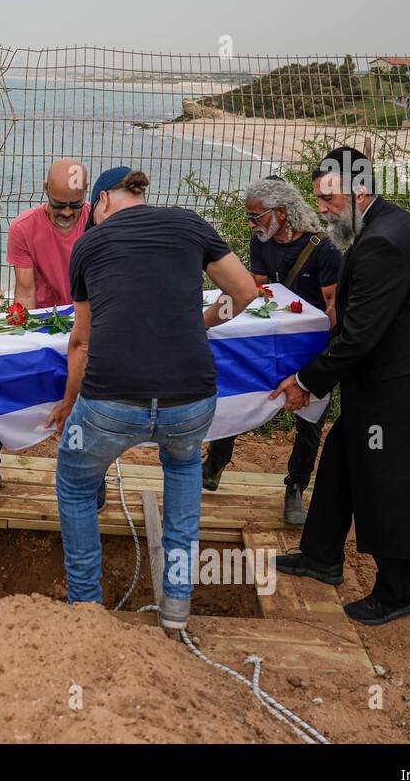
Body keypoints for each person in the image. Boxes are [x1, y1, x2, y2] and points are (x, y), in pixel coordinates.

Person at [47, 168, 259, 630]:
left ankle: (86, 607)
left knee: (77, 485)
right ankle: (177, 608)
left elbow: (81, 342)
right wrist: (200, 323)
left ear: (102, 201)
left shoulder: (88, 245)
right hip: (191, 399)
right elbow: (244, 292)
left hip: (110, 402)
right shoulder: (189, 223)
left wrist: (68, 404)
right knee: (183, 472)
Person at [271, 147, 410, 625]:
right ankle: (321, 556)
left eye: (329, 198)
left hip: (408, 385)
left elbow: (359, 337)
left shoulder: (382, 243)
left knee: (390, 480)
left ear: (359, 189)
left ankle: (396, 592)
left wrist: (305, 381)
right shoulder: (382, 227)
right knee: (344, 452)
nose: (321, 208)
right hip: (397, 374)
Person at [0, 158, 106, 512]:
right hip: (43, 322)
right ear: (45, 192)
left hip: (87, 317)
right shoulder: (24, 227)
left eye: (75, 205)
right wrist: (16, 341)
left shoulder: (98, 222)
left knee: (90, 401)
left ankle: (93, 479)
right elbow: (25, 292)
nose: (67, 213)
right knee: (4, 389)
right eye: (59, 205)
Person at [202, 176, 343, 524]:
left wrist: (321, 366)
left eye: (256, 217)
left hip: (307, 349)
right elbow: (257, 290)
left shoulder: (324, 249)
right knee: (237, 389)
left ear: (281, 212)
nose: (250, 224)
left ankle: (295, 486)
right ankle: (216, 463)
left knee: (308, 423)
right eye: (249, 217)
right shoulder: (260, 240)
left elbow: (333, 310)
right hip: (269, 342)